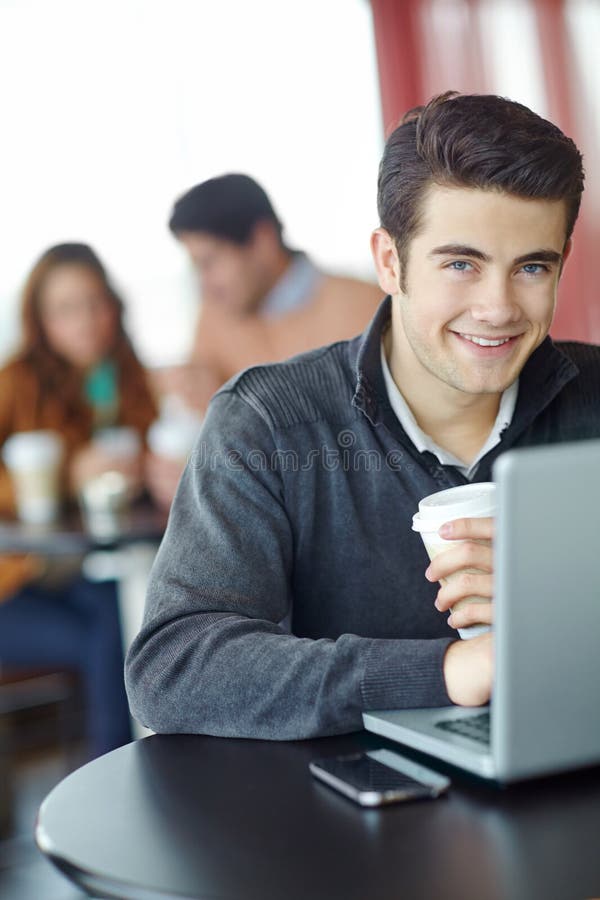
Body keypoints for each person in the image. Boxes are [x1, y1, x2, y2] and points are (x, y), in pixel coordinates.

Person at [125, 93, 600, 740]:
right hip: (348, 825)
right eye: (461, 264)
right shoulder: (266, 423)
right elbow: (174, 671)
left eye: (532, 267)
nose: (498, 308)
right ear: (389, 261)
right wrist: (450, 671)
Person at [0, 242, 157, 757]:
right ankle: (115, 772)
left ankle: (127, 767)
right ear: (41, 321)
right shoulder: (15, 383)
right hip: (14, 586)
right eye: (66, 309)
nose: (87, 320)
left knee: (131, 612)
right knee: (110, 637)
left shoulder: (130, 379)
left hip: (77, 574)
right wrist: (66, 475)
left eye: (96, 302)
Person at [146, 173, 382, 508]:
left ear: (262, 239)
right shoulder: (215, 317)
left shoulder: (363, 308)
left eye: (210, 262)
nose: (205, 284)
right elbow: (200, 423)